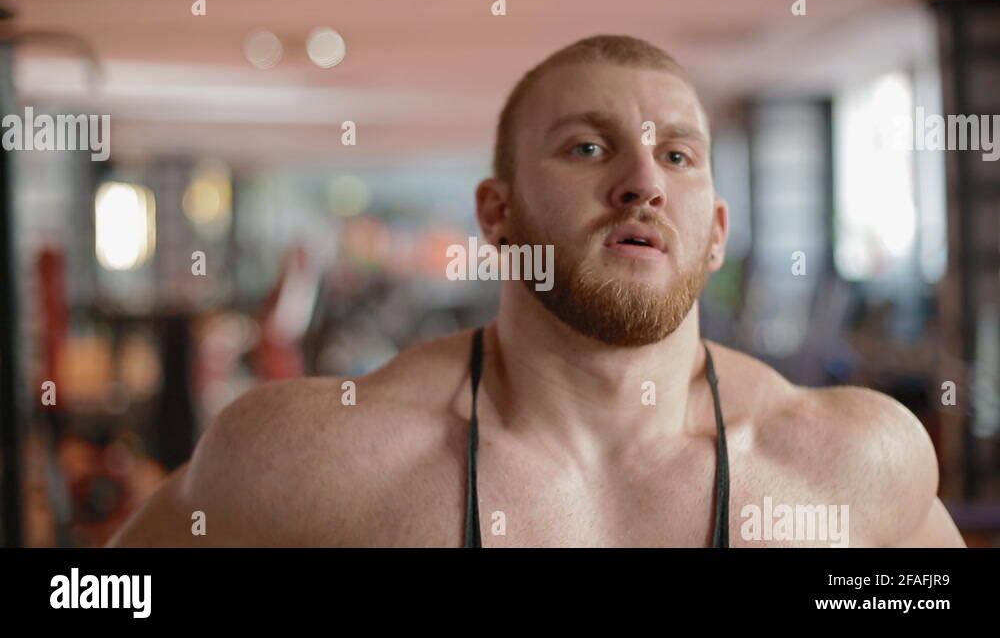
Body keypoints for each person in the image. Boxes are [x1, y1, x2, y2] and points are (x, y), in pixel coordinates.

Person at [107, 35, 965, 548]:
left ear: (717, 231)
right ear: (498, 211)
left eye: (676, 155)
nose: (643, 183)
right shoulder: (315, 460)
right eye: (588, 149)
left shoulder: (852, 467)